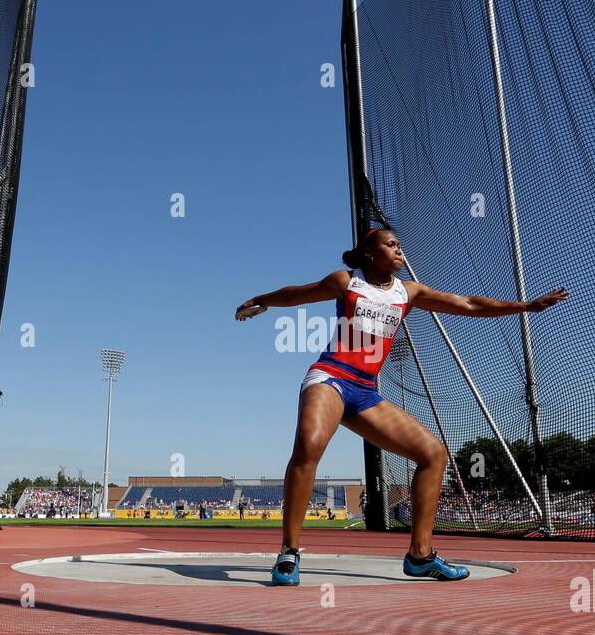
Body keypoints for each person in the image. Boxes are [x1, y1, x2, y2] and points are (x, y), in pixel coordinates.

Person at [236, 226, 569, 585]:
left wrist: (524, 306)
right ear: (370, 253)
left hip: (365, 392)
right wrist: (264, 299)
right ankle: (289, 552)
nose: (399, 252)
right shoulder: (346, 281)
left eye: (400, 246)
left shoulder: (408, 292)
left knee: (433, 454)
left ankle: (420, 555)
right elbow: (297, 293)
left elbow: (469, 304)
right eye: (391, 245)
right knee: (309, 446)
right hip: (331, 377)